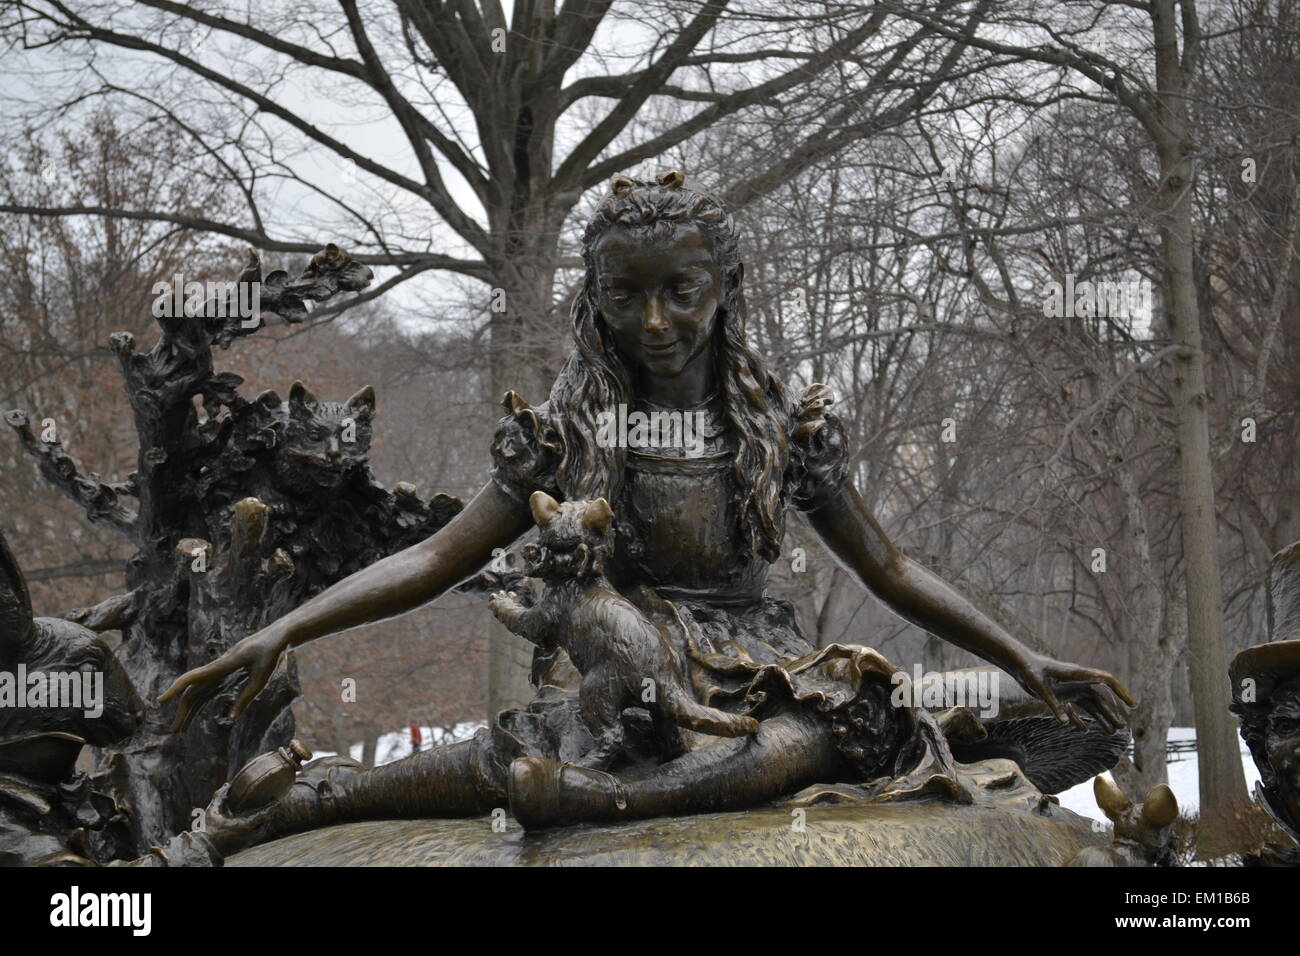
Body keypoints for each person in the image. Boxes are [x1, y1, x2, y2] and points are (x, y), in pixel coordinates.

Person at [160, 171, 1133, 835]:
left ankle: (577, 798)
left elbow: (888, 567)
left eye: (680, 291)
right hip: (632, 655)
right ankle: (308, 803)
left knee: (809, 736)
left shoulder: (784, 428)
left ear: (723, 288)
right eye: (627, 295)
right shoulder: (561, 435)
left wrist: (1021, 653)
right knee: (556, 727)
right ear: (596, 300)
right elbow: (435, 558)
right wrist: (280, 629)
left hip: (758, 666)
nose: (656, 320)